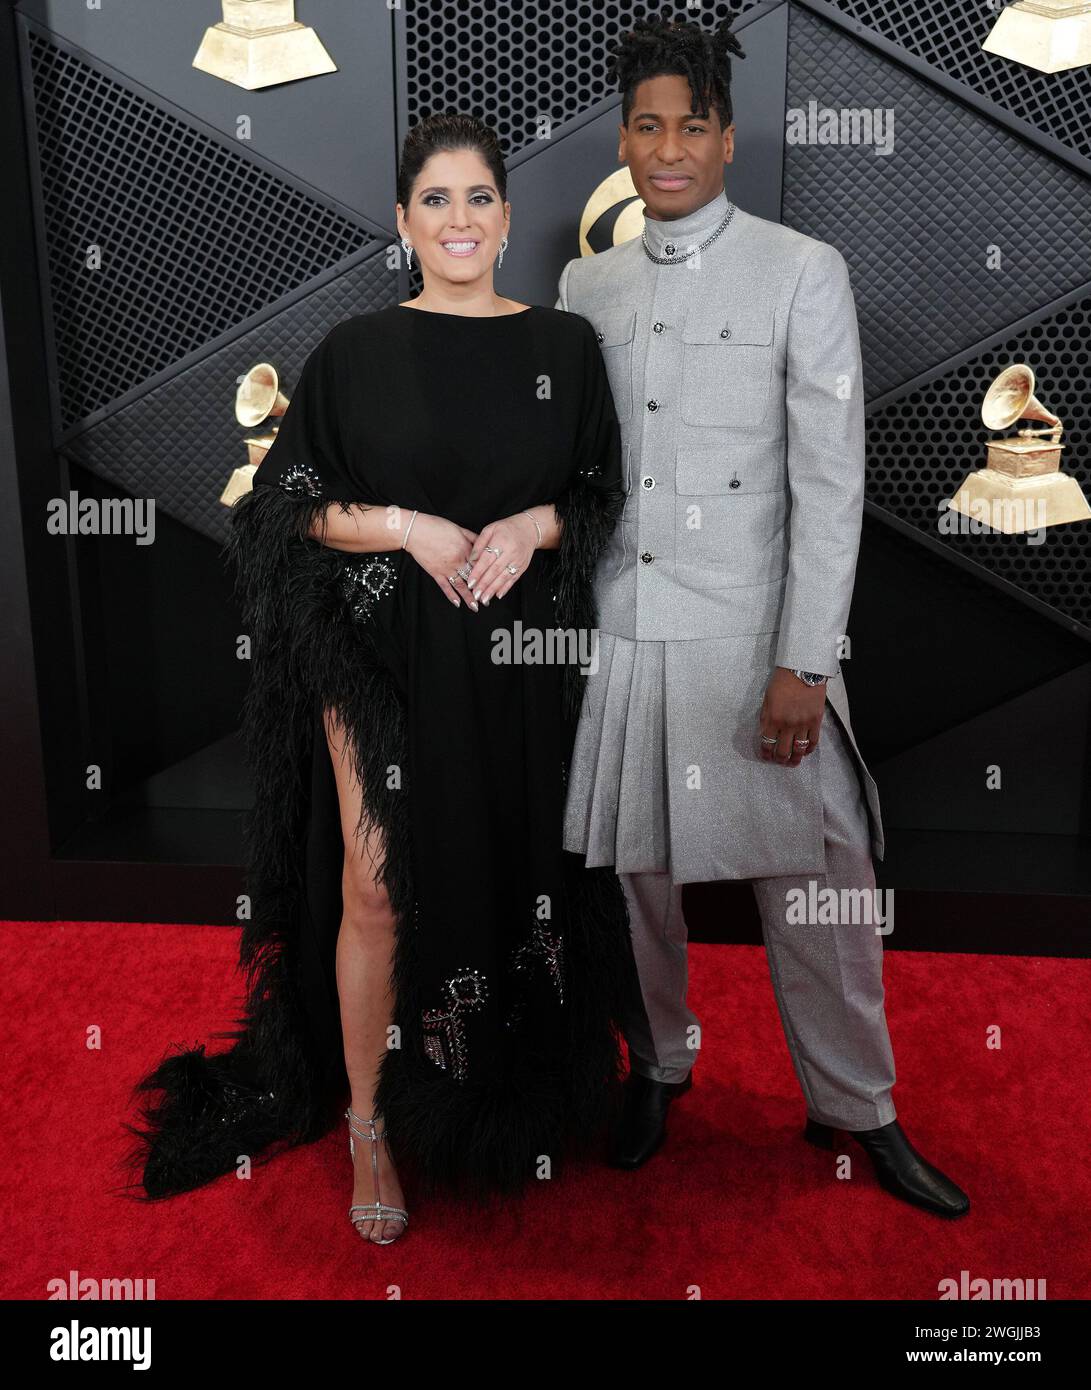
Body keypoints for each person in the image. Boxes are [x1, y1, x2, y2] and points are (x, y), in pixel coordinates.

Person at [122, 113, 638, 1244]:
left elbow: (598, 495)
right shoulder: (355, 353)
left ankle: (498, 1094)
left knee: (513, 874)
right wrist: (408, 526)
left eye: (478, 198)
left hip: (516, 663)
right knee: (373, 887)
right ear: (403, 223)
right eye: (435, 200)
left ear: (506, 216)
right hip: (375, 659)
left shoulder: (564, 348)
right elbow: (283, 509)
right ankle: (367, 1123)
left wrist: (532, 524)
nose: (459, 220)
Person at [557, 15, 969, 1218]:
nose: (667, 148)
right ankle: (659, 1066)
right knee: (633, 885)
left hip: (754, 640)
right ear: (621, 141)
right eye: (646, 126)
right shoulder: (585, 284)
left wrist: (804, 660)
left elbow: (828, 484)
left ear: (727, 140)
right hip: (625, 632)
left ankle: (857, 1104)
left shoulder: (801, 269)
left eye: (690, 126)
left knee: (819, 886)